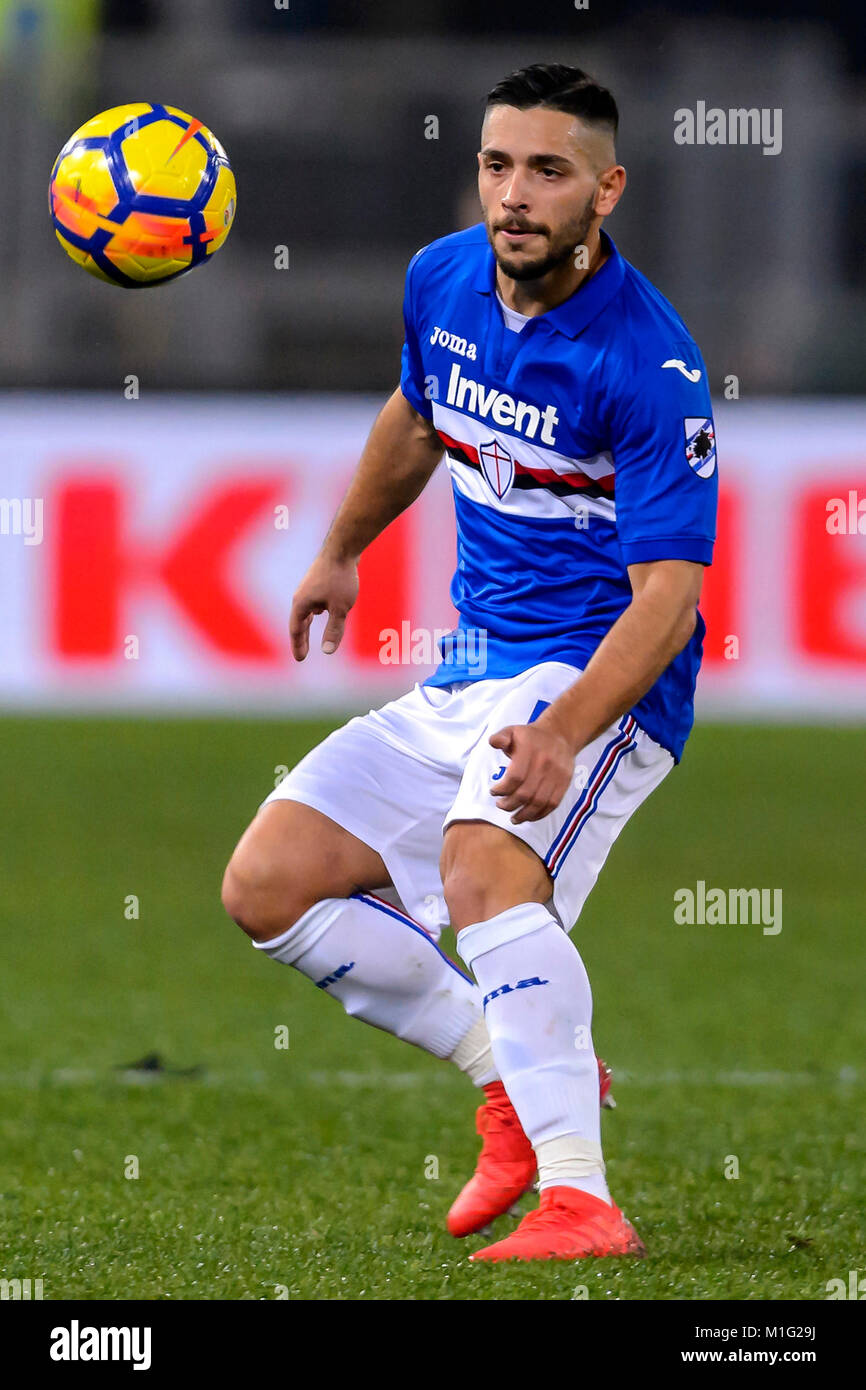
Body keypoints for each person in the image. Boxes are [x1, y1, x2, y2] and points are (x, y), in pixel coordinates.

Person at [222, 61, 717, 1261]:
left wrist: (564, 729)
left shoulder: (649, 368)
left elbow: (668, 597)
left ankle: (581, 1202)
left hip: (596, 677)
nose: (513, 193)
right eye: (498, 163)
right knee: (268, 883)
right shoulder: (439, 278)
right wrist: (340, 547)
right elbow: (415, 412)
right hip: (469, 669)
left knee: (485, 865)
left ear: (604, 192)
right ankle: (511, 1071)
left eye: (547, 171)